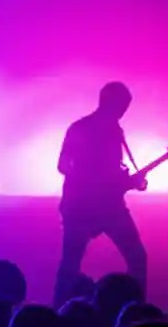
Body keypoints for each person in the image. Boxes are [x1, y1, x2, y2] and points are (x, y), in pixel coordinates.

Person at [54, 82, 149, 307]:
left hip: (92, 206)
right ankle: (135, 310)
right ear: (111, 103)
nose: (124, 111)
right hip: (90, 207)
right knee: (136, 257)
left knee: (70, 263)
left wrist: (127, 182)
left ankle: (57, 310)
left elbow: (65, 166)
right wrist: (92, 181)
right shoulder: (87, 129)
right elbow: (63, 165)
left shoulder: (98, 129)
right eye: (123, 106)